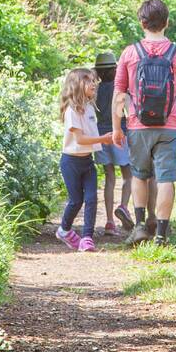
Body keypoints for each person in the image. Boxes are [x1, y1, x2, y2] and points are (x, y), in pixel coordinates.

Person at [112, 0, 176, 246]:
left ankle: (138, 227)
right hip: (168, 127)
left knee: (139, 175)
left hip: (138, 126)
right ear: (167, 23)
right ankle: (161, 235)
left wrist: (117, 126)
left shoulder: (130, 53)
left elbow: (120, 93)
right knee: (166, 178)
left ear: (141, 23)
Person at [56, 67, 114, 252]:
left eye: (94, 80)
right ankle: (64, 229)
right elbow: (80, 139)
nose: (94, 84)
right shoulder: (71, 111)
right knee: (76, 200)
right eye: (88, 81)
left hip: (87, 161)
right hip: (71, 162)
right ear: (77, 85)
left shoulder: (89, 108)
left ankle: (87, 238)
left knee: (91, 199)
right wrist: (104, 139)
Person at [92, 49, 132, 235]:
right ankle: (123, 206)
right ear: (114, 70)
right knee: (128, 174)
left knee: (109, 177)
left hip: (99, 134)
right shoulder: (120, 90)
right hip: (119, 133)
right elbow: (129, 113)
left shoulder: (94, 90)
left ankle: (109, 222)